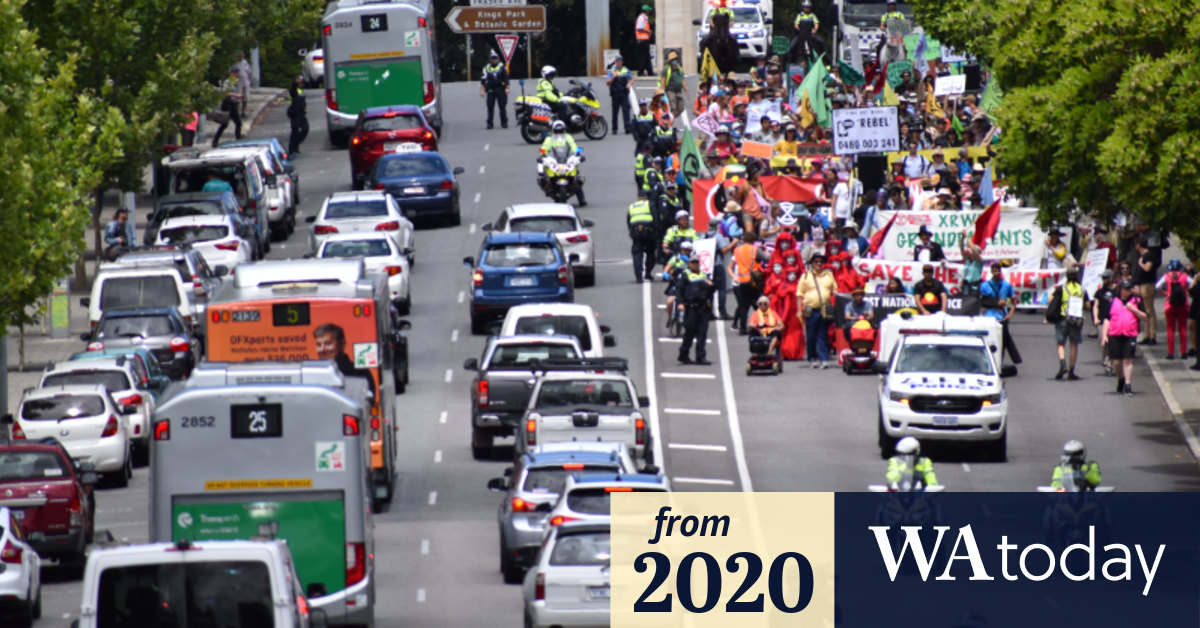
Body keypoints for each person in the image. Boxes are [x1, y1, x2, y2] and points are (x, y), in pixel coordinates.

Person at [1101, 280, 1147, 397]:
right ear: (1121, 290)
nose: (1128, 291)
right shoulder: (1112, 301)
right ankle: (1121, 379)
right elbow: (1107, 319)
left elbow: (1145, 317)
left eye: (1129, 288)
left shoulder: (1136, 301)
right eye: (1126, 289)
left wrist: (1133, 309)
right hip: (1115, 334)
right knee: (1117, 362)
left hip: (1130, 334)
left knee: (1127, 360)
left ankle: (1128, 385)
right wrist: (1104, 335)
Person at [315, 323, 377, 400]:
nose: (323, 349)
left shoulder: (360, 372)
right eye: (319, 345)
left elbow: (368, 402)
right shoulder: (314, 374)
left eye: (328, 343)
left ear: (342, 345)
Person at [797, 252, 837, 368]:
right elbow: (799, 294)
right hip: (810, 309)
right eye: (816, 262)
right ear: (812, 264)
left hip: (824, 309)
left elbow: (835, 290)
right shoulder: (805, 276)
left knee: (823, 335)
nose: (819, 264)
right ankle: (812, 358)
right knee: (810, 335)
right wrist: (799, 310)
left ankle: (823, 359)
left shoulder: (829, 275)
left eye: (821, 261)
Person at [1048, 267, 1088, 381]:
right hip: (1076, 320)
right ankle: (1072, 370)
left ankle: (1062, 364)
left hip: (1063, 319)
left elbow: (1050, 300)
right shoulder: (1082, 289)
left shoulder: (1062, 288)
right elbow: (1088, 305)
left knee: (1060, 343)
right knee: (1074, 344)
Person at [980, 263, 1022, 366]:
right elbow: (981, 301)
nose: (997, 273)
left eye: (998, 271)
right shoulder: (984, 286)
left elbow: (1014, 300)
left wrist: (1011, 313)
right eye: (994, 271)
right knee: (989, 340)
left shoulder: (1006, 285)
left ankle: (999, 362)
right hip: (989, 318)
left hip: (1002, 317)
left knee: (1002, 341)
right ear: (991, 272)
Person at [677, 256, 714, 365]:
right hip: (691, 308)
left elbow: (712, 291)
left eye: (696, 262)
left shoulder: (704, 275)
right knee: (689, 332)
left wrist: (711, 285)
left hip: (703, 308)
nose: (694, 264)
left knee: (702, 333)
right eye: (692, 262)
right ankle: (683, 354)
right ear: (689, 264)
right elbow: (679, 290)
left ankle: (700, 357)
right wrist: (680, 303)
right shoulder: (685, 275)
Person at [1156, 259, 1192, 359]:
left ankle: (1171, 353)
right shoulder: (1184, 276)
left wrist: (1165, 293)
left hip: (1170, 305)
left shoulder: (1166, 276)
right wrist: (1187, 292)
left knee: (1170, 329)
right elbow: (1193, 284)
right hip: (1183, 305)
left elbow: (1157, 287)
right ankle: (1183, 352)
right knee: (1183, 328)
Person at [730, 233, 764, 335]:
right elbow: (767, 258)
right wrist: (765, 251)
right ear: (753, 240)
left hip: (742, 281)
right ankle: (761, 324)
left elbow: (733, 264)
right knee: (758, 304)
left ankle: (742, 328)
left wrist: (734, 277)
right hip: (753, 281)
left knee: (744, 306)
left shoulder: (737, 250)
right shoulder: (755, 249)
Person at [1134, 236, 1161, 345]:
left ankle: (1152, 335)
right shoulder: (1143, 255)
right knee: (1146, 311)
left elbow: (1147, 268)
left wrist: (1140, 263)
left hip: (1148, 285)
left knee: (1149, 311)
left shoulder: (1149, 255)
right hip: (1143, 284)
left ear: (1139, 245)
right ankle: (1147, 334)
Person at [627, 188, 658, 283]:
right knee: (650, 252)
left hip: (636, 232)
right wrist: (657, 232)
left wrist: (631, 232)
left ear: (638, 197)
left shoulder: (632, 206)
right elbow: (655, 218)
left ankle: (638, 277)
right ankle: (648, 273)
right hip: (648, 232)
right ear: (646, 197)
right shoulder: (649, 204)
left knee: (637, 254)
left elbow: (628, 220)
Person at [1092, 269, 1117, 375]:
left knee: (1112, 343)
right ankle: (1105, 360)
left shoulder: (1117, 290)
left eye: (1106, 278)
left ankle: (1109, 364)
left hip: (1114, 321)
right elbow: (1095, 306)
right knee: (1104, 343)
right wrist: (1096, 318)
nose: (1104, 280)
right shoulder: (1099, 292)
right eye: (1103, 278)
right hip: (1102, 321)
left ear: (1111, 278)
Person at [211, 68, 243, 147]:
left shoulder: (234, 82)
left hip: (232, 103)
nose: (237, 75)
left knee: (238, 122)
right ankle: (215, 140)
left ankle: (238, 138)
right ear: (231, 74)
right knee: (224, 123)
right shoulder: (227, 82)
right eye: (235, 73)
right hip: (227, 103)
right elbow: (225, 93)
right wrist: (236, 95)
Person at [480, 50, 510, 130]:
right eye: (492, 59)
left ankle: (504, 122)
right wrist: (482, 90)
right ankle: (490, 123)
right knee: (490, 106)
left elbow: (506, 78)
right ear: (490, 59)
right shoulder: (486, 68)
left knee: (502, 106)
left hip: (500, 88)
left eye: (495, 58)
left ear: (498, 59)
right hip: (490, 89)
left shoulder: (502, 66)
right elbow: (483, 80)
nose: (494, 60)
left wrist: (507, 88)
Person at [606, 55, 633, 134]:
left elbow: (632, 78)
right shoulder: (612, 71)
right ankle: (614, 128)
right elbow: (608, 83)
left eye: (620, 61)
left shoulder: (625, 70)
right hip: (615, 93)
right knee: (615, 112)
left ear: (622, 62)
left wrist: (629, 84)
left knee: (626, 110)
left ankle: (627, 128)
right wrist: (613, 77)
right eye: (617, 61)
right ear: (615, 62)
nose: (618, 63)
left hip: (624, 93)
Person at [659, 51, 687, 119]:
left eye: (676, 59)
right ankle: (668, 122)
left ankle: (669, 119)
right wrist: (662, 92)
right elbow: (663, 80)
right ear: (670, 61)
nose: (675, 61)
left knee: (681, 108)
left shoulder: (680, 69)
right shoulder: (666, 69)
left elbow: (682, 79)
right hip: (670, 91)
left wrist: (686, 89)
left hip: (679, 91)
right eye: (673, 60)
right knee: (673, 108)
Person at [286, 74, 309, 156]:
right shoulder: (294, 90)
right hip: (295, 113)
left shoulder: (301, 90)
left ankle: (296, 145)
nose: (301, 84)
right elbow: (292, 89)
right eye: (300, 83)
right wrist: (295, 82)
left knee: (305, 129)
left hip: (301, 113)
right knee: (295, 131)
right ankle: (292, 150)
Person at [230, 52, 252, 116]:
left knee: (245, 97)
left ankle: (243, 112)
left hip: (245, 81)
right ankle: (236, 112)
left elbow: (249, 71)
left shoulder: (245, 62)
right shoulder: (234, 63)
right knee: (238, 97)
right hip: (238, 81)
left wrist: (249, 80)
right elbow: (232, 72)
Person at [635, 4, 654, 76]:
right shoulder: (641, 18)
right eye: (648, 10)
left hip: (644, 40)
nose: (649, 11)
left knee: (646, 57)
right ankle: (640, 72)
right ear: (646, 11)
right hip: (642, 40)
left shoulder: (644, 18)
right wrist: (648, 31)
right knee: (644, 57)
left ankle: (650, 72)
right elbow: (639, 28)